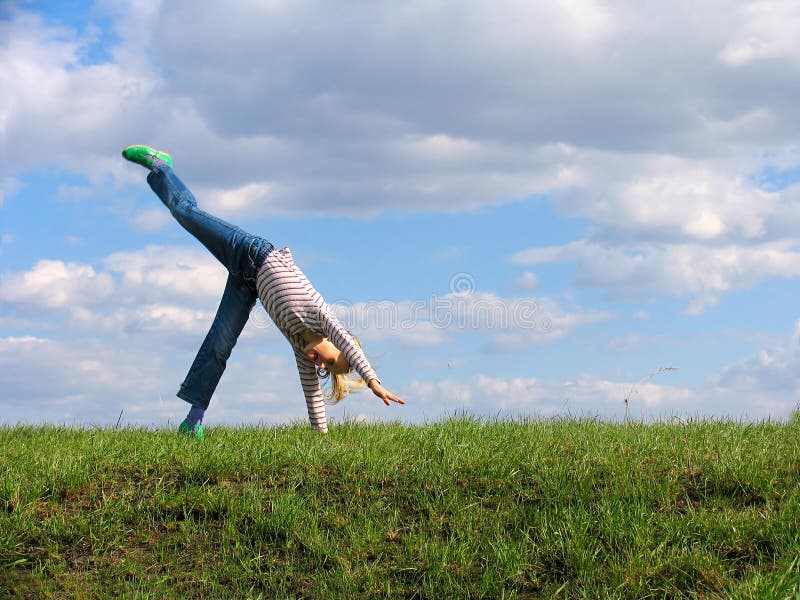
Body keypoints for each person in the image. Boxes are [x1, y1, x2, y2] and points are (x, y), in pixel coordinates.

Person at [122, 145, 405, 438]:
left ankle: (192, 422)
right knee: (186, 213)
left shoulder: (300, 346)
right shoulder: (321, 317)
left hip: (248, 283)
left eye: (324, 369)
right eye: (328, 360)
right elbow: (346, 341)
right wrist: (372, 381)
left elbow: (314, 400)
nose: (319, 363)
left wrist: (323, 442)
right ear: (334, 342)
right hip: (251, 253)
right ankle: (161, 166)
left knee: (219, 345)